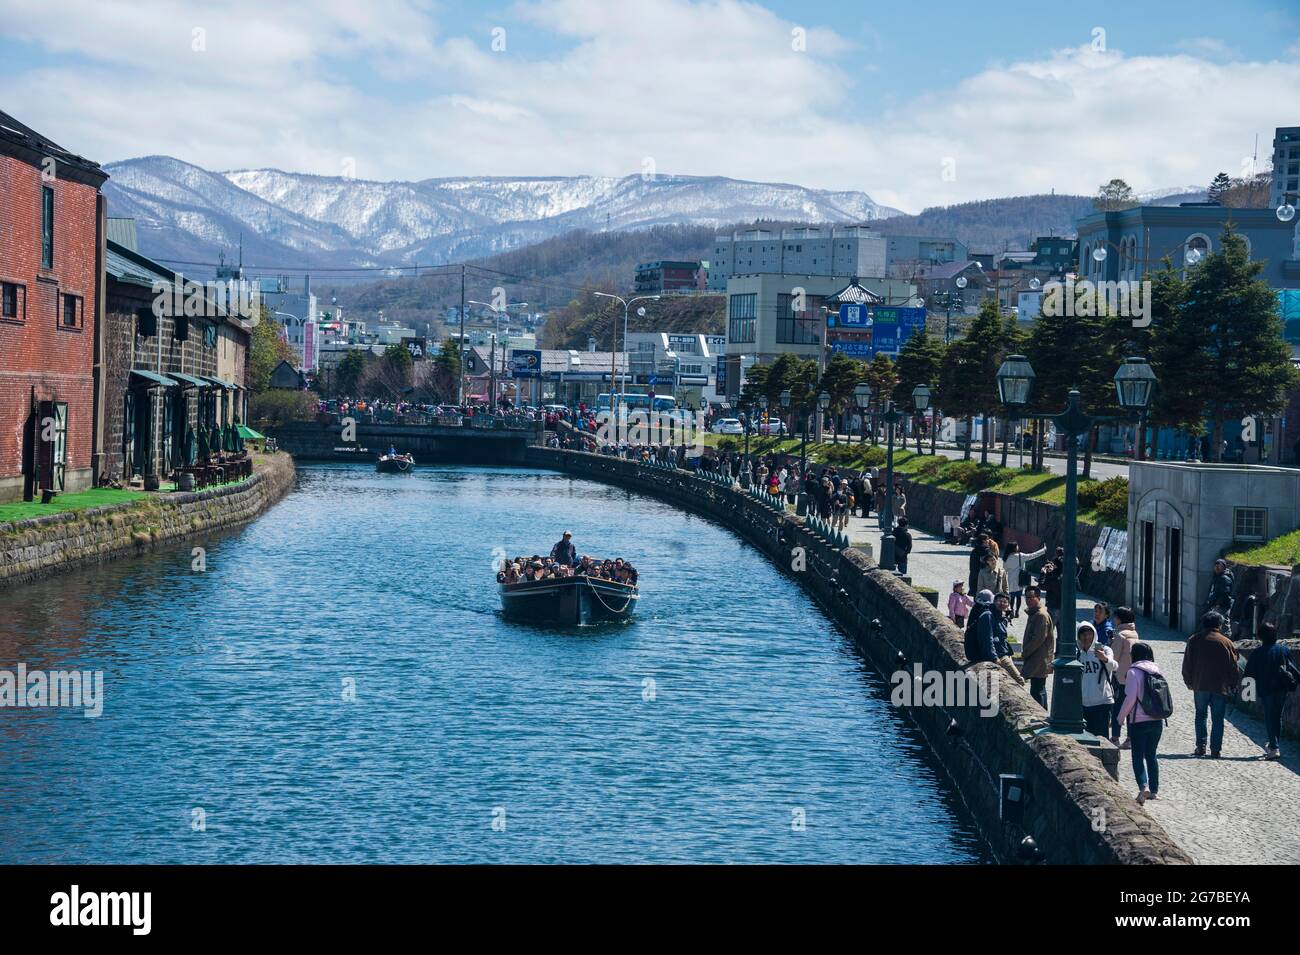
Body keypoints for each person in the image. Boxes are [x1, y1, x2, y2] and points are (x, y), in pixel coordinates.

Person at [1181, 610, 1239, 758]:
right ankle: (1215, 749)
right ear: (1219, 625)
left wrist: (1188, 681)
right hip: (1220, 686)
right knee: (1218, 718)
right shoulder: (1226, 642)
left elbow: (1187, 663)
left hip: (1200, 684)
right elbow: (1233, 666)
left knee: (1200, 715)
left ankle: (1200, 746)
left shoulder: (1194, 640)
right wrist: (1233, 684)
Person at [1116, 642, 1166, 805]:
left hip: (1139, 721)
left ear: (1134, 656)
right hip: (1157, 720)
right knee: (1151, 755)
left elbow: (1130, 698)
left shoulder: (1133, 672)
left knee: (1137, 755)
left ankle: (1143, 786)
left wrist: (1120, 717)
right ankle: (1154, 790)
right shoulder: (1157, 670)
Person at [1243, 623, 1297, 760]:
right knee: (1277, 717)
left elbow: (1249, 673)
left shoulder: (1258, 652)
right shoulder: (1283, 650)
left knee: (1269, 717)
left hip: (1267, 689)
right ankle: (1274, 744)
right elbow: (1292, 668)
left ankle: (1274, 747)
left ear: (1261, 636)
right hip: (1281, 689)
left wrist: (1247, 694)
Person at [1076, 621, 1117, 737]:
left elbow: (1114, 667)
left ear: (1094, 634)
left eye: (1089, 634)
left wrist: (1104, 659)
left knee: (1101, 737)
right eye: (1083, 634)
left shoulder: (1105, 650)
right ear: (1078, 637)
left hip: (1102, 701)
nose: (1086, 637)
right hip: (1083, 703)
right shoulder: (1078, 655)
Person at [1021, 586, 1055, 709]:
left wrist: (1026, 652)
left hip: (1039, 659)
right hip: (1038, 658)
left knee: (1037, 690)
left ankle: (1041, 717)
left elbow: (1038, 639)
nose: (1028, 600)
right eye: (1027, 597)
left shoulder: (1041, 615)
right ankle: (1044, 715)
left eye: (1031, 597)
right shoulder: (1035, 613)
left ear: (1038, 598)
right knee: (1039, 688)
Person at [1109, 606, 1139, 747]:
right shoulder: (1135, 634)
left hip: (1120, 677)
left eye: (1115, 617)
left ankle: (1115, 737)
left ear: (1119, 619)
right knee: (1130, 709)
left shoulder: (1120, 635)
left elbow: (1113, 657)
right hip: (1133, 677)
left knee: (1118, 708)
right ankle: (1130, 738)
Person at [1003, 541, 1046, 618]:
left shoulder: (1006, 557)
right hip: (1020, 579)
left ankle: (1011, 610)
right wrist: (1043, 550)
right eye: (1017, 546)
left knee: (1012, 597)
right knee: (1019, 597)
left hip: (1010, 579)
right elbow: (1033, 555)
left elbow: (1005, 569)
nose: (1018, 547)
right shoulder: (1020, 556)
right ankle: (1017, 611)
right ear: (1014, 548)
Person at [994, 592, 1024, 685]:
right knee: (1019, 679)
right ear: (994, 602)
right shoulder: (990, 616)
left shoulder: (1002, 617)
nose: (1002, 603)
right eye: (999, 601)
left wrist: (1007, 615)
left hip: (1005, 652)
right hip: (1000, 654)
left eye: (1005, 602)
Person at [964, 589, 999, 664]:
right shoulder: (986, 614)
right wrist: (994, 658)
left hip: (971, 653)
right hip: (979, 655)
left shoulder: (975, 609)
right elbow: (987, 638)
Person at [1204, 558, 1235, 636]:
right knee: (1216, 623)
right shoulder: (1217, 576)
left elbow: (1225, 593)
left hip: (1222, 605)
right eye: (1216, 565)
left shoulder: (1225, 578)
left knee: (1223, 623)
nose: (1217, 567)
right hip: (1215, 603)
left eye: (1219, 566)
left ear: (1223, 567)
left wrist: (1219, 603)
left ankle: (1227, 640)